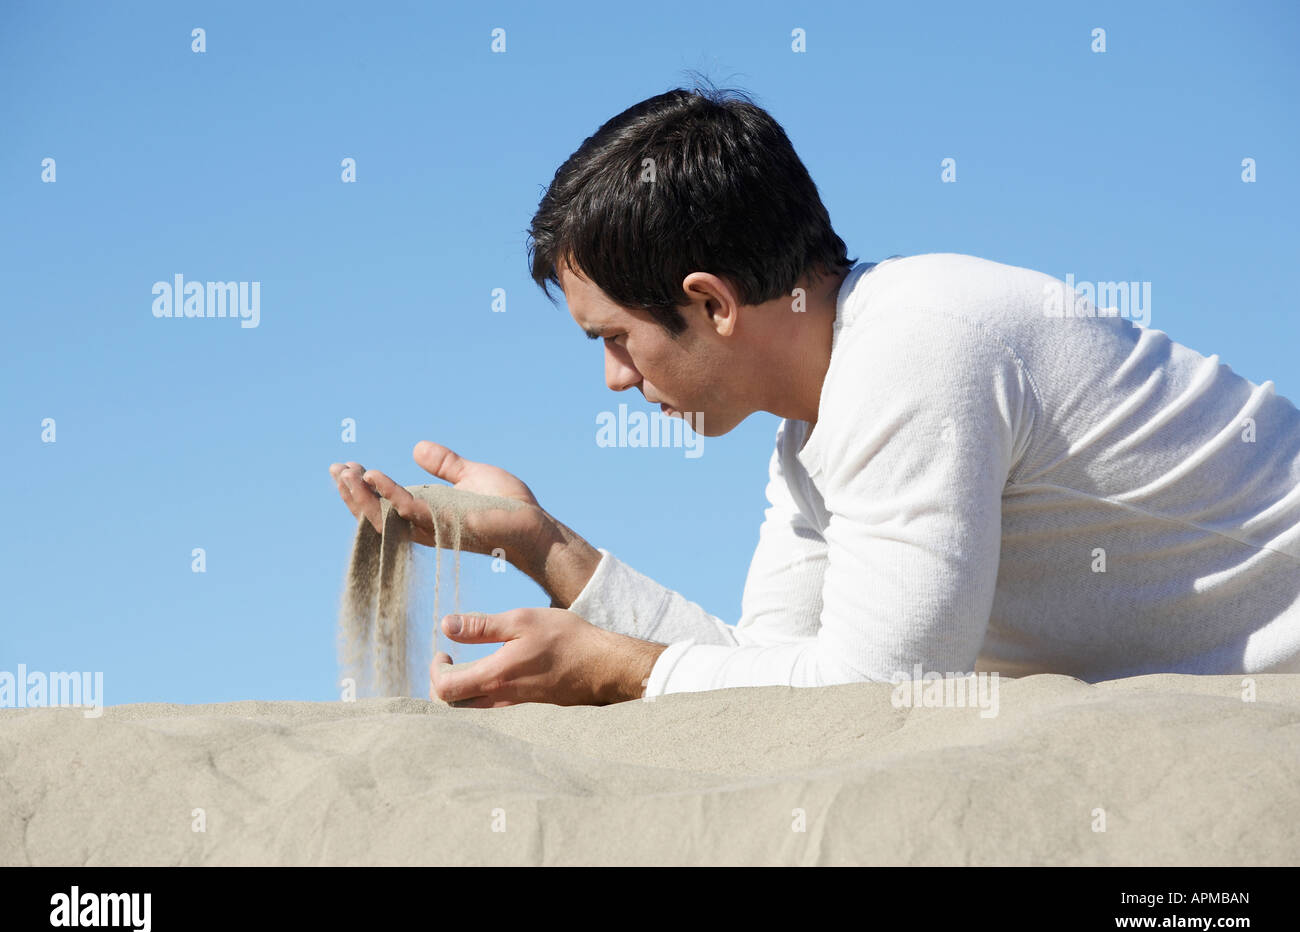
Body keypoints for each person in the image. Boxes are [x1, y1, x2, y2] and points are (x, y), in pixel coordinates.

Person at [330, 84, 1300, 707]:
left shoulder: (919, 346)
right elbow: (775, 677)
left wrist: (624, 666)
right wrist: (540, 543)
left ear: (708, 302)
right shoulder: (814, 429)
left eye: (616, 339)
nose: (615, 380)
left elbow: (876, 690)